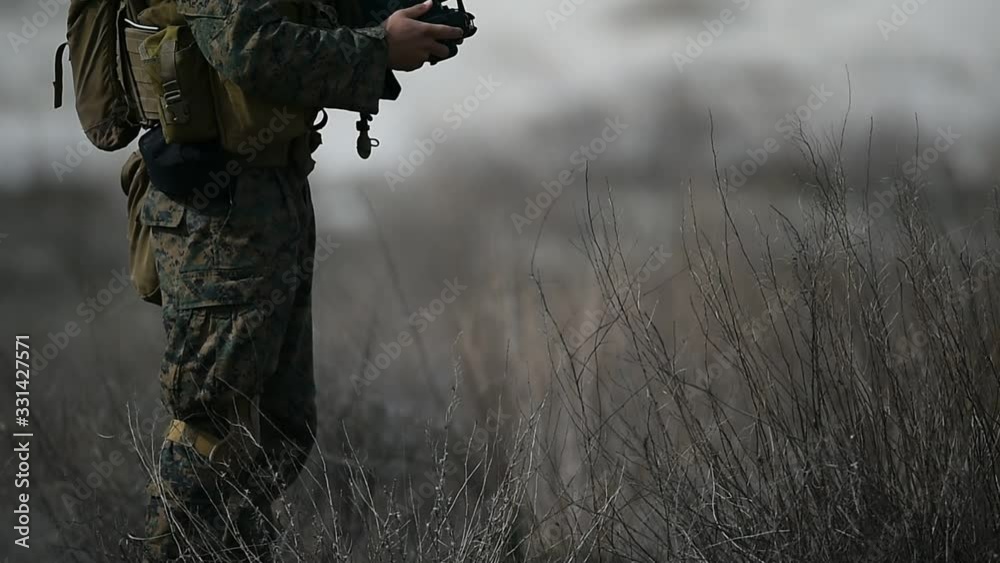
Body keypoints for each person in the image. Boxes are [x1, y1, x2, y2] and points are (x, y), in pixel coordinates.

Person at [134, 1, 465, 560]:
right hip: (218, 207)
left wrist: (400, 20)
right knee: (214, 420)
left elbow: (302, 13)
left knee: (279, 430)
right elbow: (248, 46)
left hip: (272, 189)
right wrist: (379, 47)